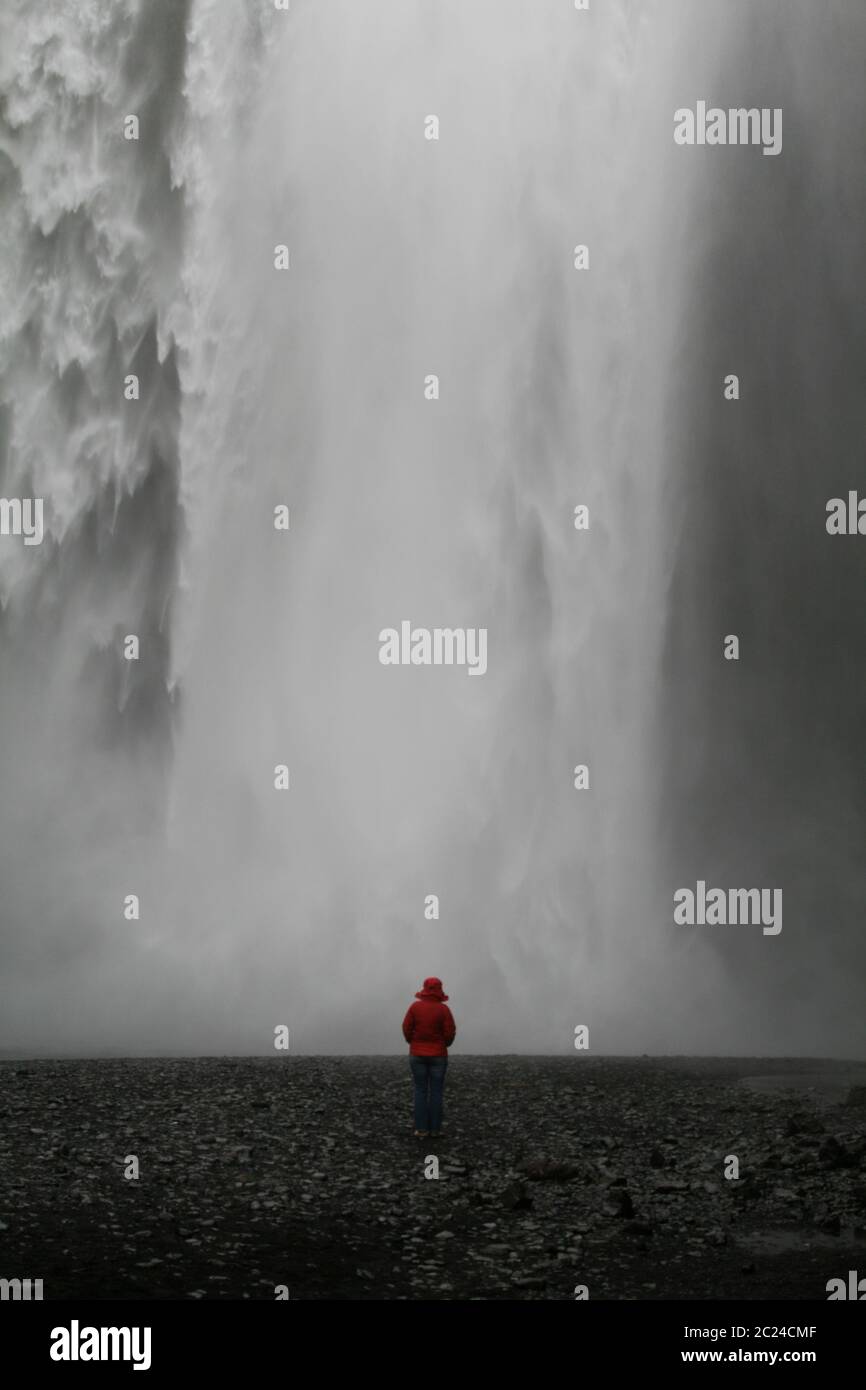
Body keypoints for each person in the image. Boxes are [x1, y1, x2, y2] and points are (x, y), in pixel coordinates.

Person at [401, 977, 456, 1138]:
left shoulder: (415, 1007)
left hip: (417, 1054)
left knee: (420, 1090)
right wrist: (445, 1044)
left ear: (424, 989)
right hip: (438, 1055)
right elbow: (450, 1032)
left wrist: (412, 1041)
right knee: (437, 1091)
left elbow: (406, 1027)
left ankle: (421, 1129)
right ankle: (435, 1129)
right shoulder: (443, 1010)